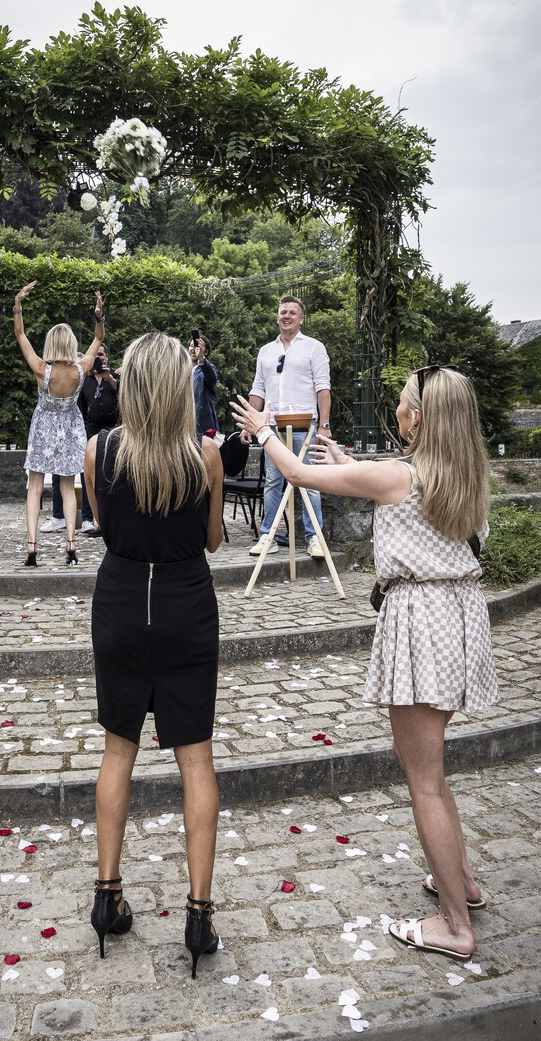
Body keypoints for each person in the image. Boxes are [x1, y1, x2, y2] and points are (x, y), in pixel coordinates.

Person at [232, 365, 499, 963]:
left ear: (419, 417)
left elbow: (299, 474)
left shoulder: (400, 475)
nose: (396, 409)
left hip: (421, 621)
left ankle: (454, 924)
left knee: (423, 779)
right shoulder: (464, 476)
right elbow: (405, 501)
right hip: (458, 617)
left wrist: (264, 428)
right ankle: (463, 882)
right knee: (432, 768)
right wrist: (349, 462)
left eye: (402, 402)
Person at [84, 332, 224, 978]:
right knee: (196, 758)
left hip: (119, 600)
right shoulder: (205, 456)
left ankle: (107, 894)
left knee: (118, 750)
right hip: (185, 602)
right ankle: (198, 912)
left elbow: (103, 525)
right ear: (178, 387)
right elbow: (213, 540)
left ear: (132, 385)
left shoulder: (99, 450)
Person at [13, 283, 103, 566]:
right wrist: (98, 317)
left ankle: (31, 545)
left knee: (35, 486)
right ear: (71, 344)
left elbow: (20, 334)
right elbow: (98, 339)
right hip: (71, 429)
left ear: (51, 343)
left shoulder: (41, 369)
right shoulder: (81, 369)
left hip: (43, 427)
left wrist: (18, 306)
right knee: (67, 485)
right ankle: (71, 543)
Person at [244, 295, 331, 558]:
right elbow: (258, 389)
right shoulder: (266, 351)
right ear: (277, 317)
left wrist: (325, 425)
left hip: (306, 426)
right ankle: (268, 536)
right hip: (272, 426)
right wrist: (249, 424)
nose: (287, 316)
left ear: (301, 319)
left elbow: (323, 388)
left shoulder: (314, 347)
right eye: (283, 312)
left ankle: (314, 538)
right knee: (273, 481)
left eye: (292, 312)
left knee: (309, 481)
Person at [78, 342, 120, 536]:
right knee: (88, 476)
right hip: (92, 432)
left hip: (114, 432)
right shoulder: (85, 380)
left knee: (112, 475)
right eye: (96, 355)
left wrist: (108, 378)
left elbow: (123, 393)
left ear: (107, 357)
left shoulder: (116, 375)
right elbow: (80, 409)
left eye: (101, 355)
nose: (99, 358)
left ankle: (111, 519)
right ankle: (87, 518)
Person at [188, 333, 219, 436]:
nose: (193, 349)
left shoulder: (207, 369)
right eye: (192, 346)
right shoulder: (182, 371)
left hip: (203, 428)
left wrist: (201, 360)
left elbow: (212, 379)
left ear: (205, 351)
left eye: (197, 347)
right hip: (185, 425)